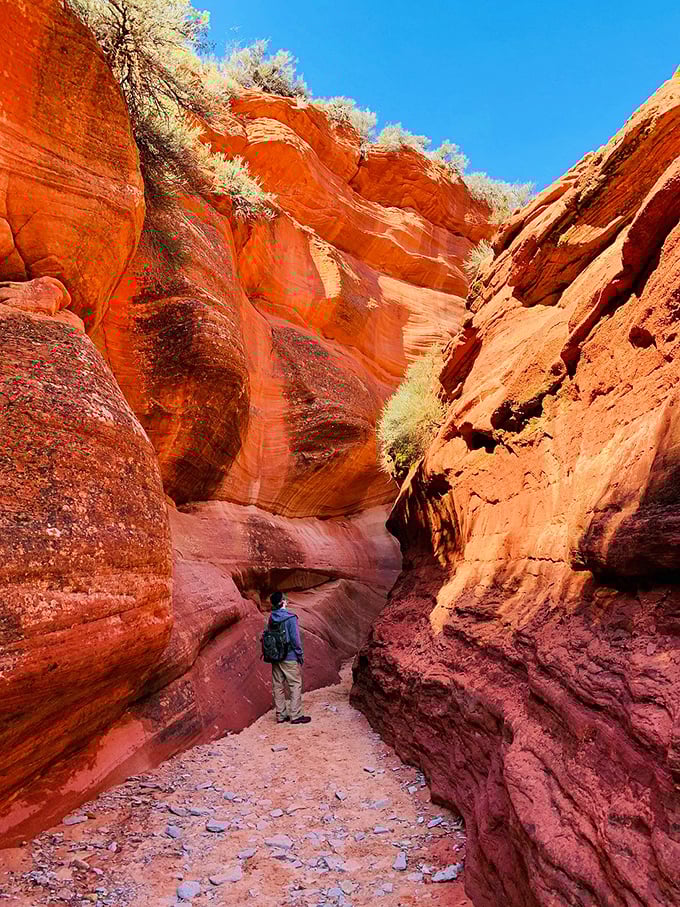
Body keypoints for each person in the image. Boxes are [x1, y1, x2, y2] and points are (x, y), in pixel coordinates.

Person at [267, 591, 311, 725]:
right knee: (295, 684)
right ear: (283, 602)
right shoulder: (290, 618)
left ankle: (281, 715)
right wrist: (299, 654)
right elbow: (295, 639)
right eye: (284, 599)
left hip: (275, 657)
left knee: (278, 686)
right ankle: (296, 715)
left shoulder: (271, 617)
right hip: (289, 656)